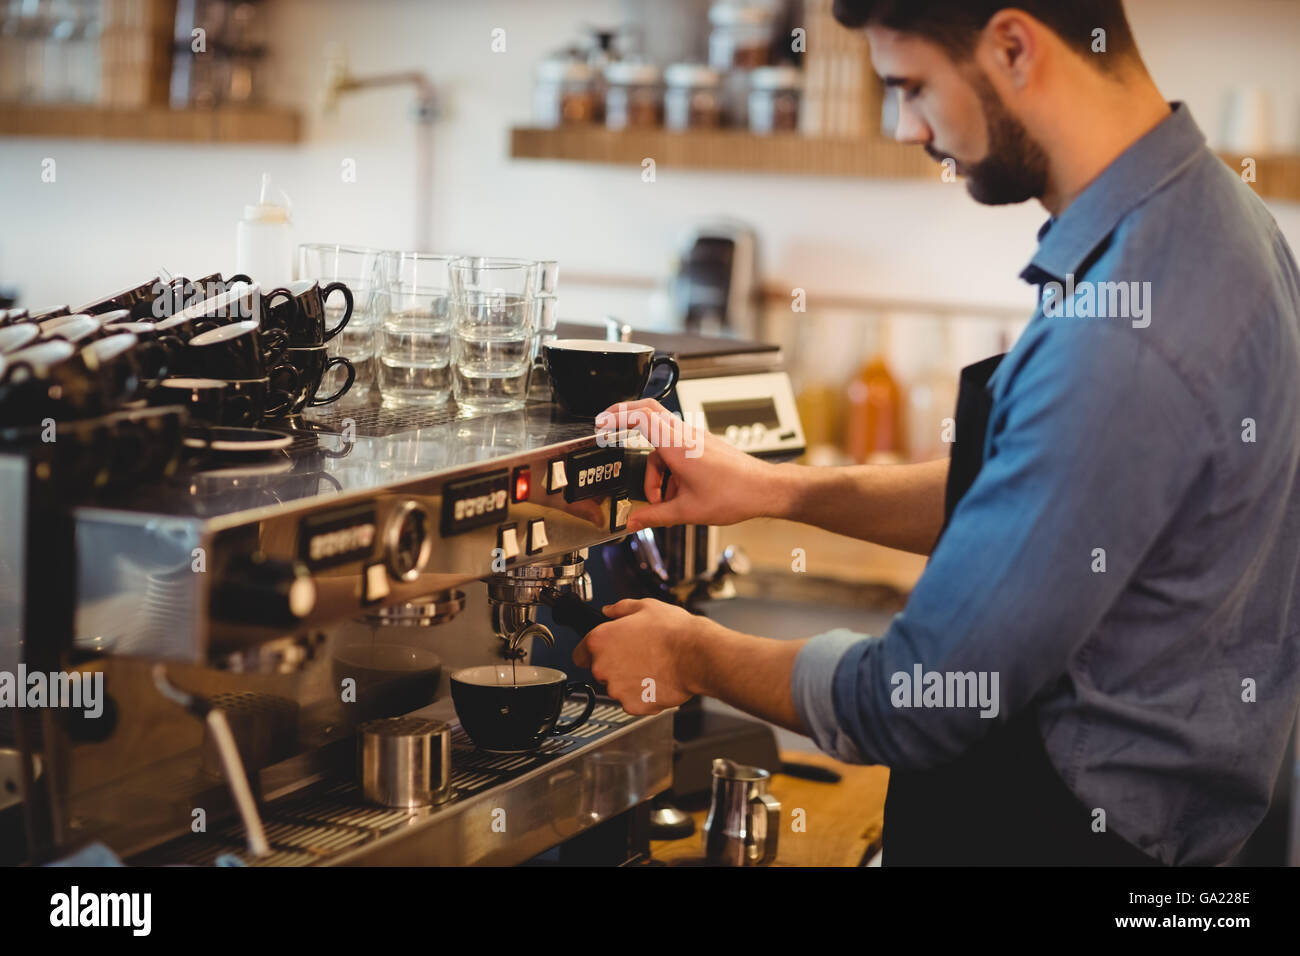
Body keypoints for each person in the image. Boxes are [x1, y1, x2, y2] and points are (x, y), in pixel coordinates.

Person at [576, 0, 1300, 865]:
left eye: (913, 86)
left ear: (1013, 46)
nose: (908, 126)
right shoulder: (1221, 223)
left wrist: (695, 654)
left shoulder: (1123, 330)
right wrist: (784, 490)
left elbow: (918, 699)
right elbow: (1040, 499)